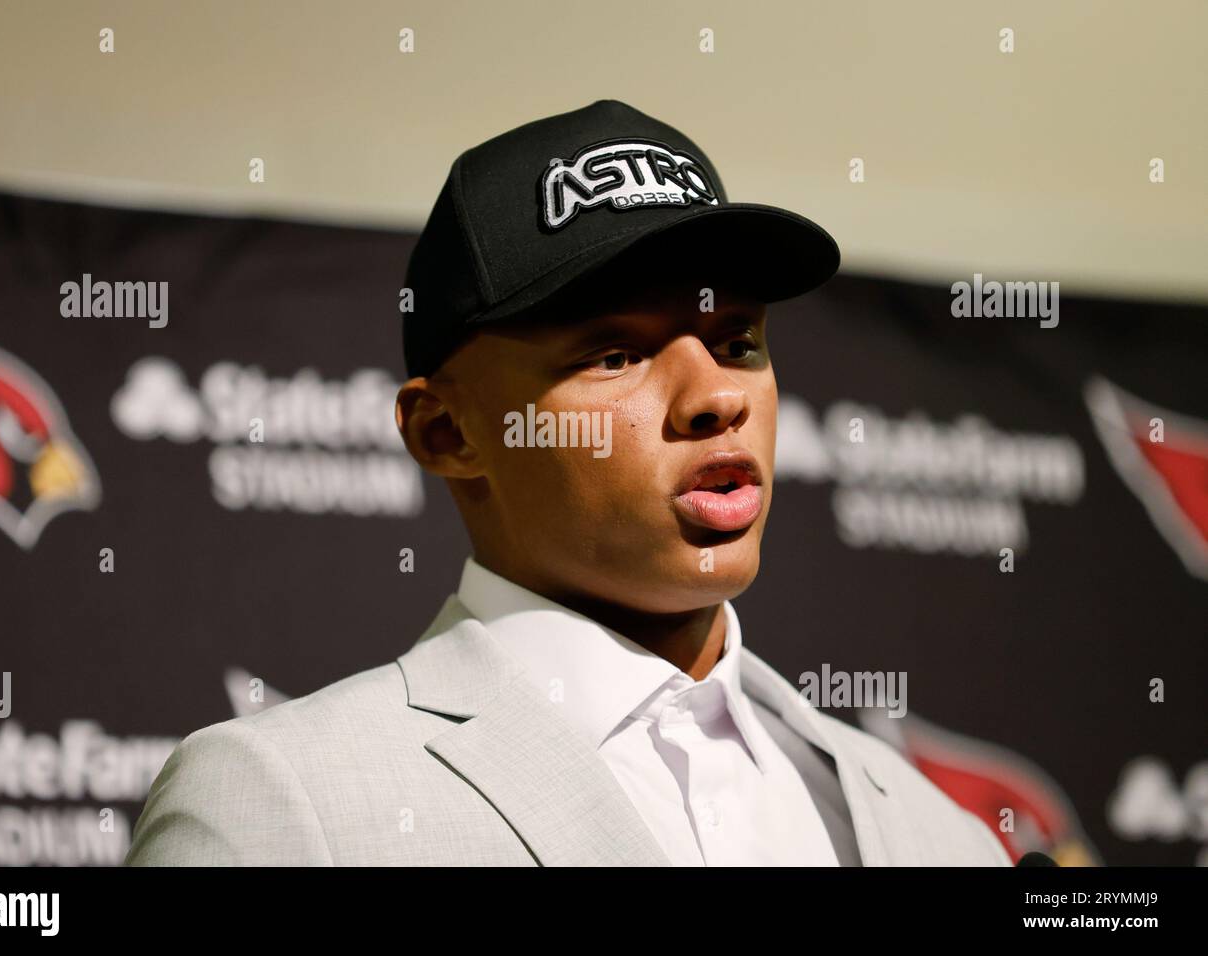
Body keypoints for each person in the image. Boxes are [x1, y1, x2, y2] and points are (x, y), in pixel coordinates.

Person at [125, 99, 1011, 866]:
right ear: (447, 432)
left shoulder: (941, 836)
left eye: (738, 341)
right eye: (615, 354)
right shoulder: (283, 808)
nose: (715, 396)